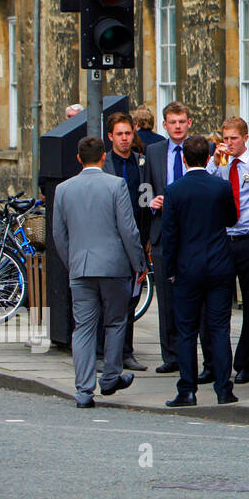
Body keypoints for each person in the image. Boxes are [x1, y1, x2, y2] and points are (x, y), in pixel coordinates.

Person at [51, 136, 148, 408]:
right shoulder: (115, 185)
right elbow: (128, 230)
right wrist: (139, 264)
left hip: (80, 267)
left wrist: (73, 263)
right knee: (115, 323)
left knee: (83, 328)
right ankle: (110, 378)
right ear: (103, 157)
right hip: (114, 267)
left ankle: (83, 391)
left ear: (79, 158)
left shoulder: (63, 189)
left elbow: (59, 234)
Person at [159, 135, 239, 407]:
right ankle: (224, 389)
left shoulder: (175, 190)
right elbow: (232, 219)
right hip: (218, 265)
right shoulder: (220, 186)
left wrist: (170, 270)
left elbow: (169, 235)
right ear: (207, 158)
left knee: (186, 331)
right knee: (219, 329)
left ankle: (187, 390)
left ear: (184, 159)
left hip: (187, 268)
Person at [141, 101, 213, 376]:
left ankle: (206, 359)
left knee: (202, 302)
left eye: (182, 121)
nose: (178, 126)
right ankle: (171, 356)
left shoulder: (202, 149)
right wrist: (151, 202)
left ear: (189, 123)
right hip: (163, 231)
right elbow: (143, 189)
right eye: (173, 122)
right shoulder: (154, 151)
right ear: (165, 125)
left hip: (194, 233)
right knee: (167, 298)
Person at [206, 116, 249, 385]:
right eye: (226, 139)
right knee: (218, 303)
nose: (229, 144)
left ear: (245, 138)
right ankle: (215, 361)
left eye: (234, 139)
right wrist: (214, 160)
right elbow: (204, 185)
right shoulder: (219, 165)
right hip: (224, 238)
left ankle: (245, 360)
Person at [99, 112, 148, 372]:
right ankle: (101, 352)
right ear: (110, 137)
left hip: (134, 238)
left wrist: (146, 238)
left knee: (131, 299)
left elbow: (146, 199)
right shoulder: (104, 164)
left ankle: (126, 352)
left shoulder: (142, 162)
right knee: (105, 299)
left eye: (128, 133)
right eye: (119, 134)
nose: (125, 138)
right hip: (109, 240)